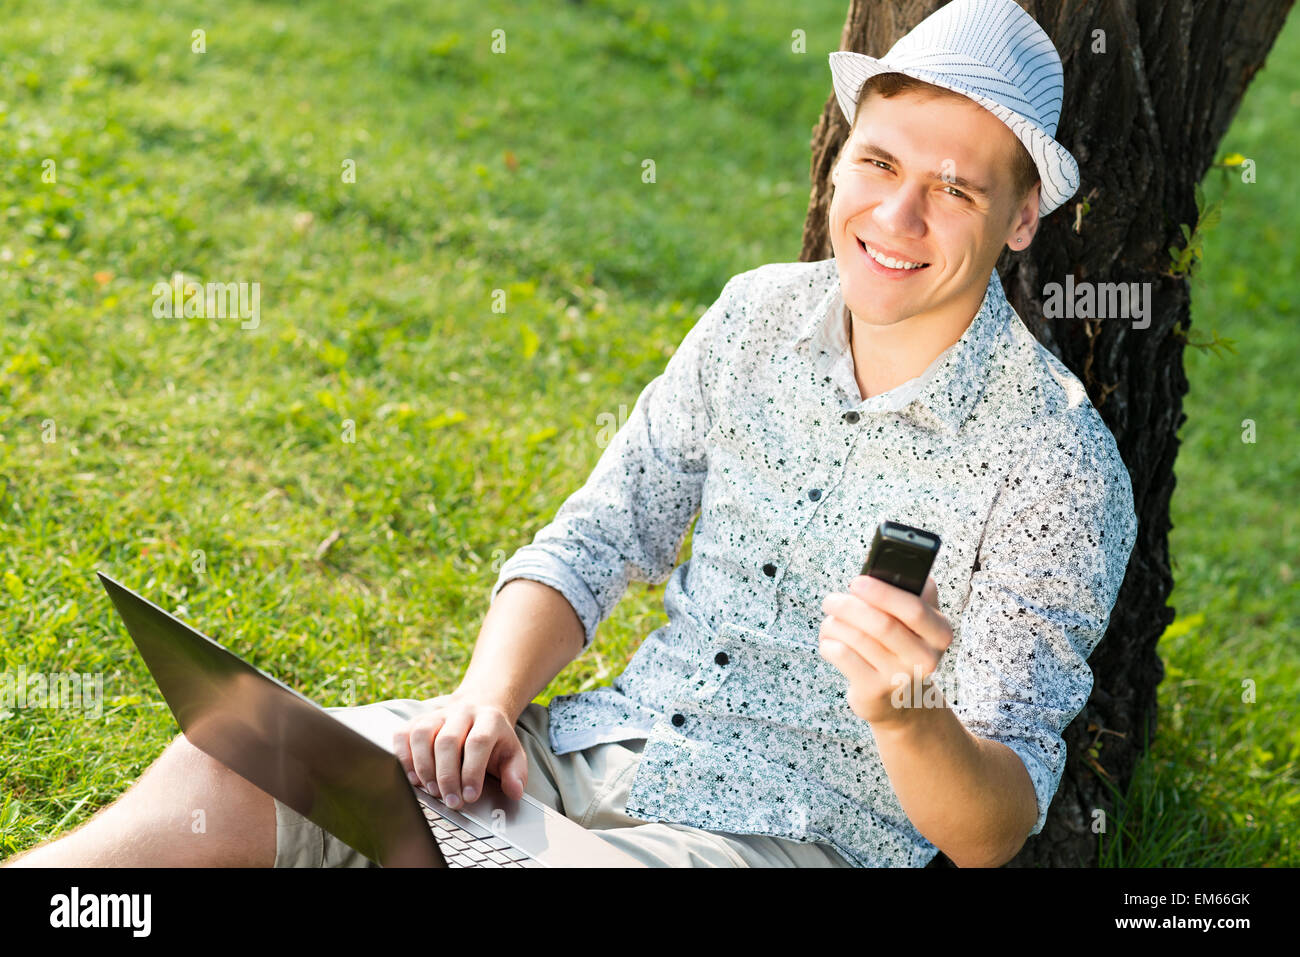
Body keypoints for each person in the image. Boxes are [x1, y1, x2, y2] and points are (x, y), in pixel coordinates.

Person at [6, 0, 1136, 869]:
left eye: (953, 190)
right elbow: (600, 533)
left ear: (1021, 217)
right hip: (584, 755)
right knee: (234, 758)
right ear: (841, 156)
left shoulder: (1058, 464)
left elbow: (990, 831)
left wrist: (909, 712)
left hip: (779, 840)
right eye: (879, 164)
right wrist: (486, 705)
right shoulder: (758, 315)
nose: (894, 219)